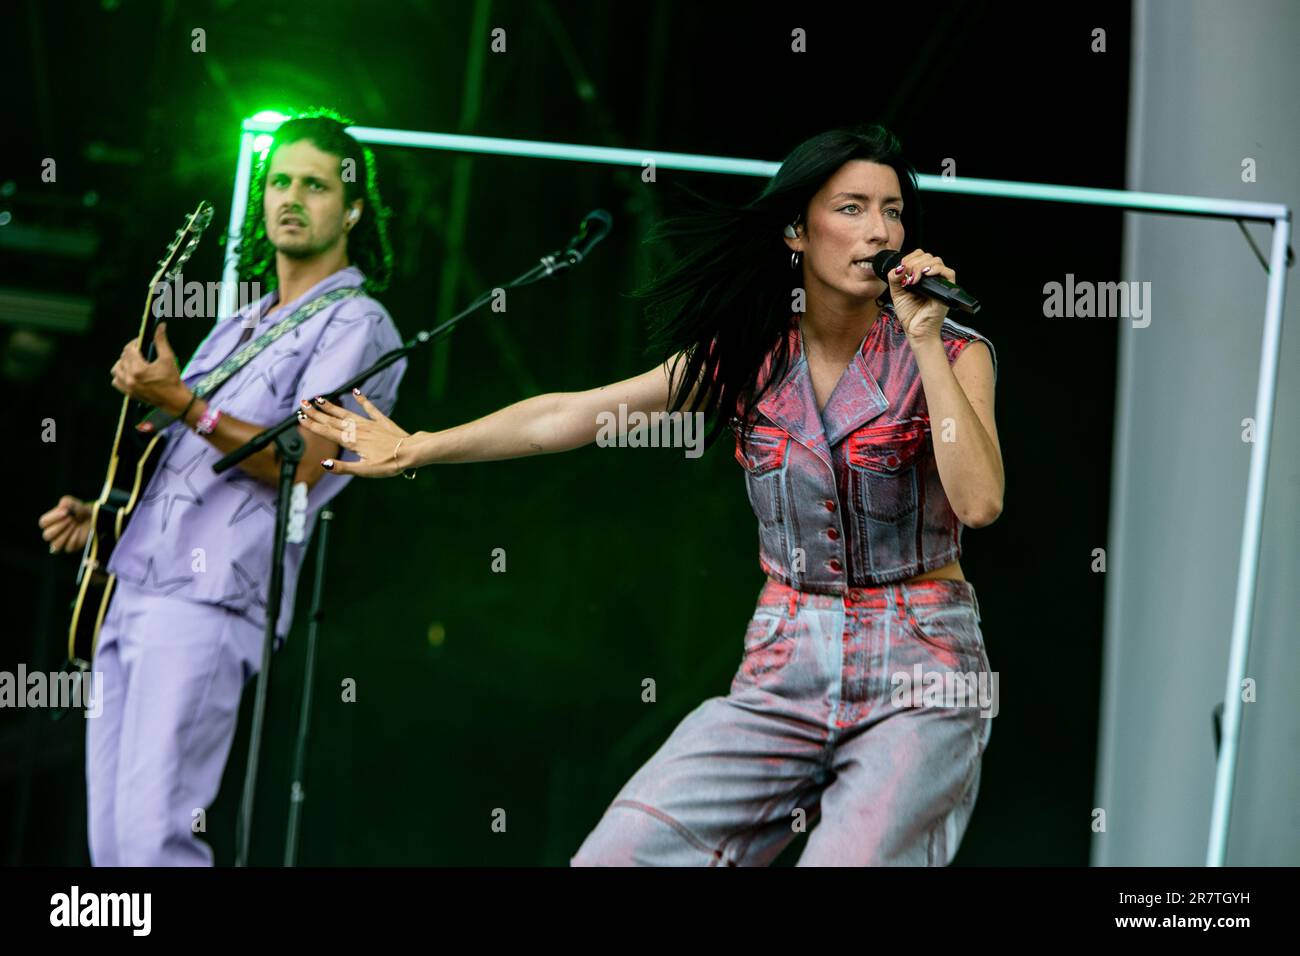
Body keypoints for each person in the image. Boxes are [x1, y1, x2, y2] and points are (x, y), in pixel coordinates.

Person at [297, 123, 1002, 866]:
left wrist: (923, 338)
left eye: (892, 211)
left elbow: (980, 502)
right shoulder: (750, 356)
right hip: (785, 661)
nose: (879, 231)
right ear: (797, 230)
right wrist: (420, 447)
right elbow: (571, 414)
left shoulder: (955, 352)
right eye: (852, 208)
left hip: (921, 670)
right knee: (617, 857)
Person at [37, 112, 408, 865]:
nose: (291, 197)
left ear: (354, 207)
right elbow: (182, 448)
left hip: (212, 598)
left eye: (314, 183)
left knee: (155, 839)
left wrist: (180, 400)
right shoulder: (239, 321)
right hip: (131, 578)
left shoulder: (359, 322)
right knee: (110, 846)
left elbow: (303, 460)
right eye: (279, 181)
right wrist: (108, 512)